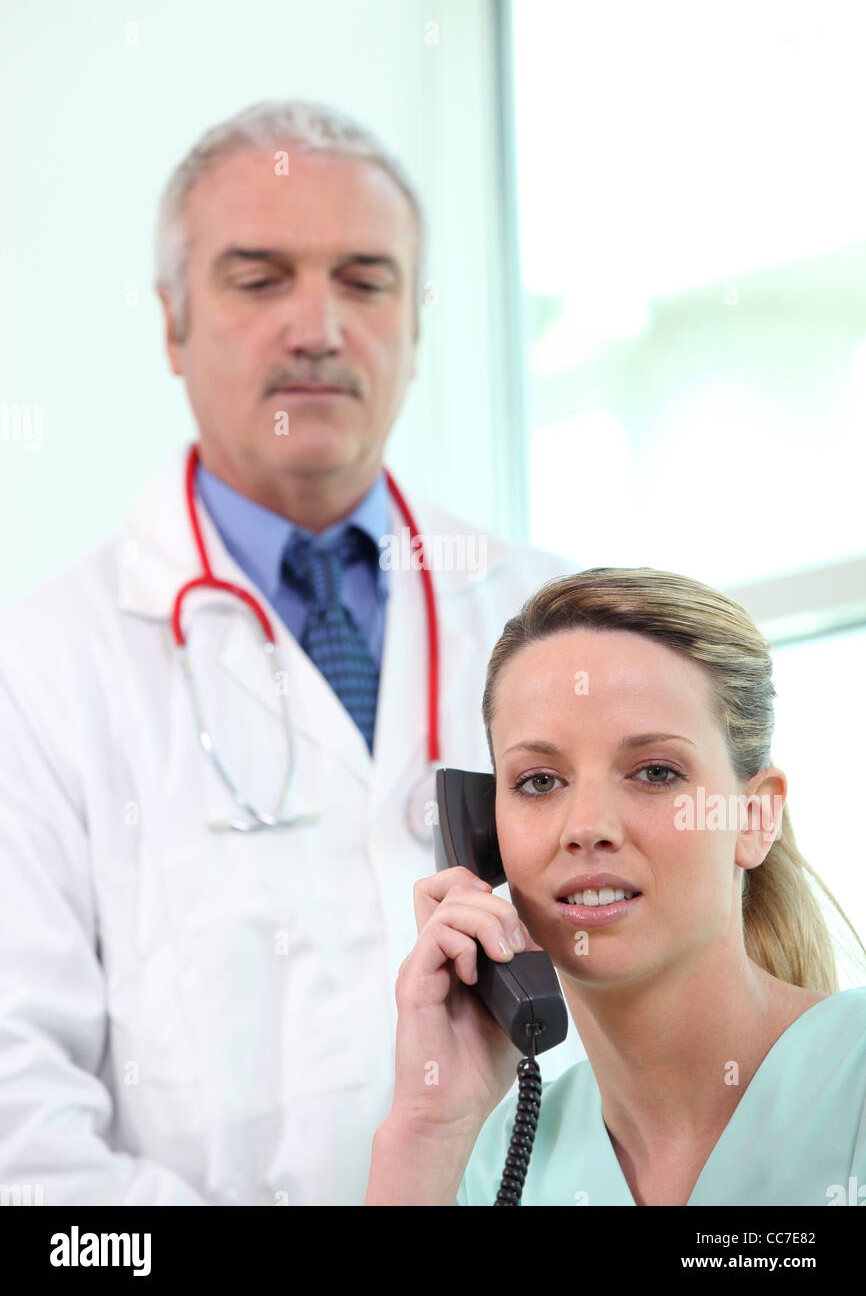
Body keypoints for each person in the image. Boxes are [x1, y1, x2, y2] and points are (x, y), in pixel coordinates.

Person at [0, 100, 579, 1206]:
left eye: (364, 280)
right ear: (171, 323)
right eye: (258, 278)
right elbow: (20, 1125)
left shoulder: (548, 613)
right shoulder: (37, 674)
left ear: (414, 320)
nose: (317, 326)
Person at [365, 567, 866, 1206]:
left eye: (655, 772)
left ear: (755, 815)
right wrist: (426, 1134)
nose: (587, 828)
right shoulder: (489, 1165)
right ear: (486, 834)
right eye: (540, 781)